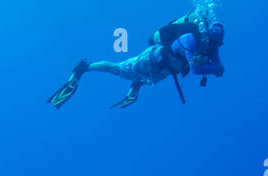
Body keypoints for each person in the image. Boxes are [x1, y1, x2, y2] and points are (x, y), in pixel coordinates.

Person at [47, 11, 224, 109]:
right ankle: (84, 67)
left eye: (216, 44)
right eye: (211, 41)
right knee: (119, 70)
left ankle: (138, 83)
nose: (212, 46)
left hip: (168, 69)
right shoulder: (189, 39)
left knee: (150, 80)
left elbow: (216, 64)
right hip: (153, 59)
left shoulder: (211, 46)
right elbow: (198, 70)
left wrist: (216, 67)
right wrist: (215, 69)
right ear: (205, 34)